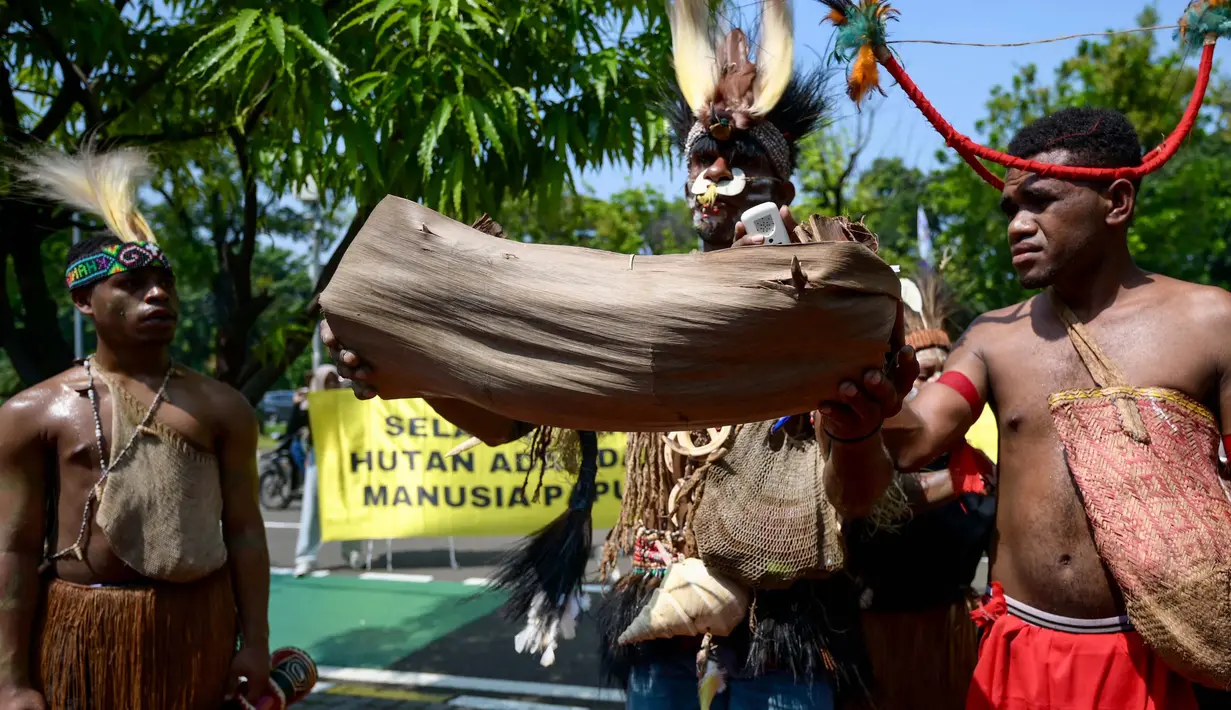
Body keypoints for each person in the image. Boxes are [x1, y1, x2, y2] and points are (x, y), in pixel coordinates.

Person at [324, 3, 875, 708]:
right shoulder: (633, 301)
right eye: (702, 159)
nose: (716, 176)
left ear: (784, 189)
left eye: (740, 161)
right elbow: (511, 420)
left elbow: (867, 486)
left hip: (782, 620)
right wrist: (410, 368)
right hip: (657, 611)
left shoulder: (835, 293)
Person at [820, 107, 1231, 709]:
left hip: (1163, 660)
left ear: (1116, 202)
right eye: (1011, 209)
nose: (1017, 225)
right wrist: (861, 410)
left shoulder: (1211, 322)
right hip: (1018, 655)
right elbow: (914, 437)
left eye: (1039, 202)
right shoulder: (993, 339)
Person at [0, 146, 271, 710]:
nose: (157, 294)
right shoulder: (33, 412)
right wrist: (12, 681)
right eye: (133, 283)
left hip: (199, 634)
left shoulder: (222, 408)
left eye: (164, 282)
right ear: (84, 301)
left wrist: (257, 644)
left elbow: (244, 531)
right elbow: (14, 550)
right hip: (80, 636)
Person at [842, 271, 995, 709]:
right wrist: (955, 482)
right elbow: (873, 503)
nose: (939, 388)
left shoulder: (974, 457)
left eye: (948, 376)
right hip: (873, 641)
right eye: (926, 374)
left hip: (951, 638)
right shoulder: (864, 448)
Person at [292, 364, 366, 577]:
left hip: (346, 456)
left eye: (335, 379)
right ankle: (305, 557)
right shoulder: (309, 404)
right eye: (327, 381)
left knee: (351, 504)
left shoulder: (348, 401)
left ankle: (353, 552)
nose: (332, 384)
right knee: (312, 506)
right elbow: (292, 428)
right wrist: (298, 407)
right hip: (320, 457)